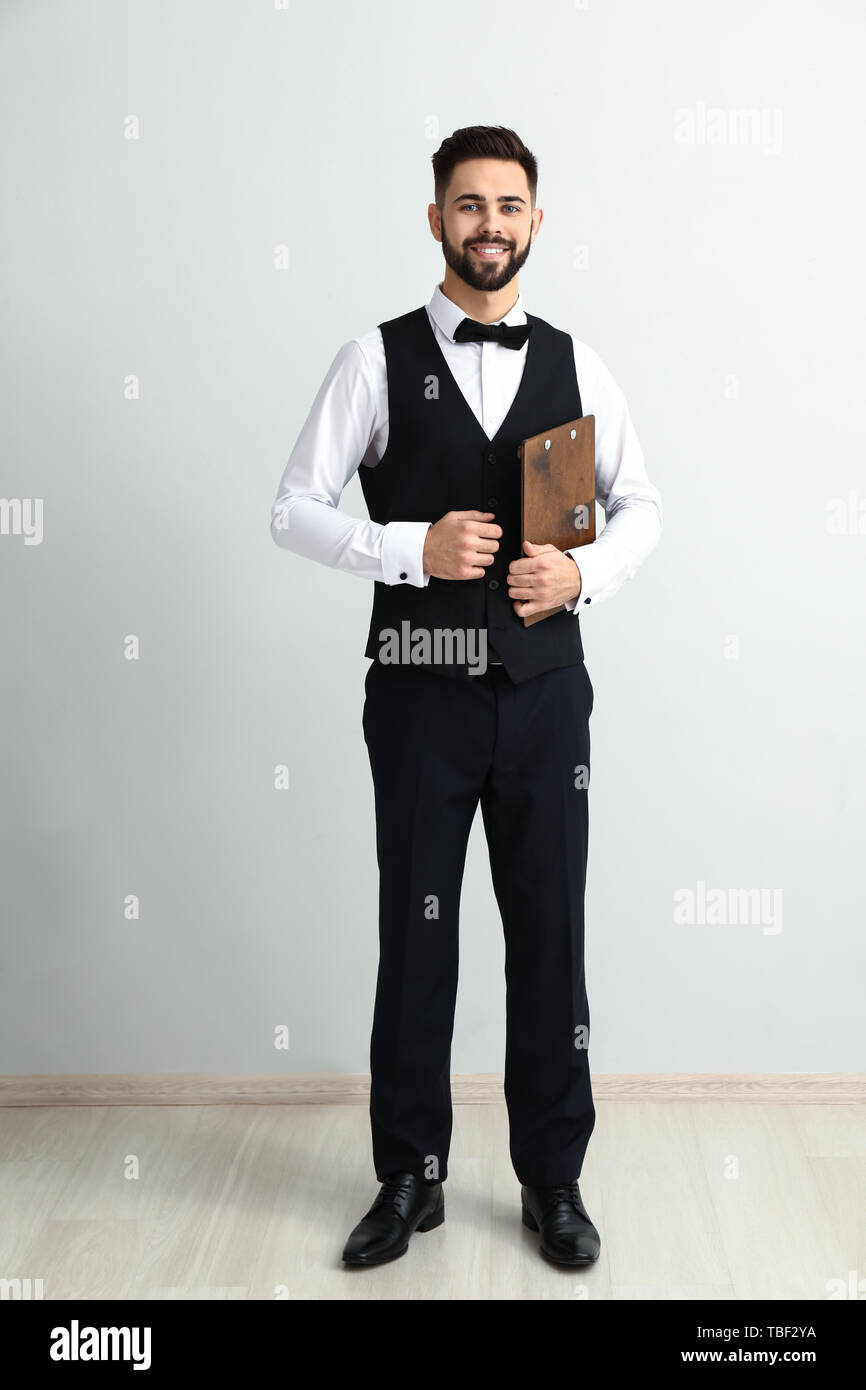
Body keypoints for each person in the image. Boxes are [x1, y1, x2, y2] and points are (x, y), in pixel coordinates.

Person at [270, 125, 662, 1268]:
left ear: (535, 222)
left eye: (507, 205)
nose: (487, 222)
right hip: (418, 699)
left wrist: (580, 572)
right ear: (435, 220)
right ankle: (409, 1176)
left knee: (549, 938)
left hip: (546, 699)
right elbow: (290, 506)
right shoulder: (372, 358)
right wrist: (406, 548)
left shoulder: (579, 363)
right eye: (467, 204)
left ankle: (552, 1181)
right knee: (416, 934)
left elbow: (644, 505)